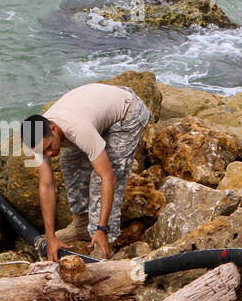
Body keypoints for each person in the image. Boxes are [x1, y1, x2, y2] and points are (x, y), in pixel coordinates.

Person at [21, 83, 151, 261]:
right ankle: (83, 224)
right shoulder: (39, 137)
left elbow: (108, 177)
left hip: (128, 113)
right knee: (69, 161)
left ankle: (105, 241)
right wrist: (50, 237)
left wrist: (102, 228)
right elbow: (46, 185)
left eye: (50, 147)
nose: (49, 154)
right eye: (44, 152)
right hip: (98, 115)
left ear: (53, 128)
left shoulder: (77, 129)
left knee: (102, 176)